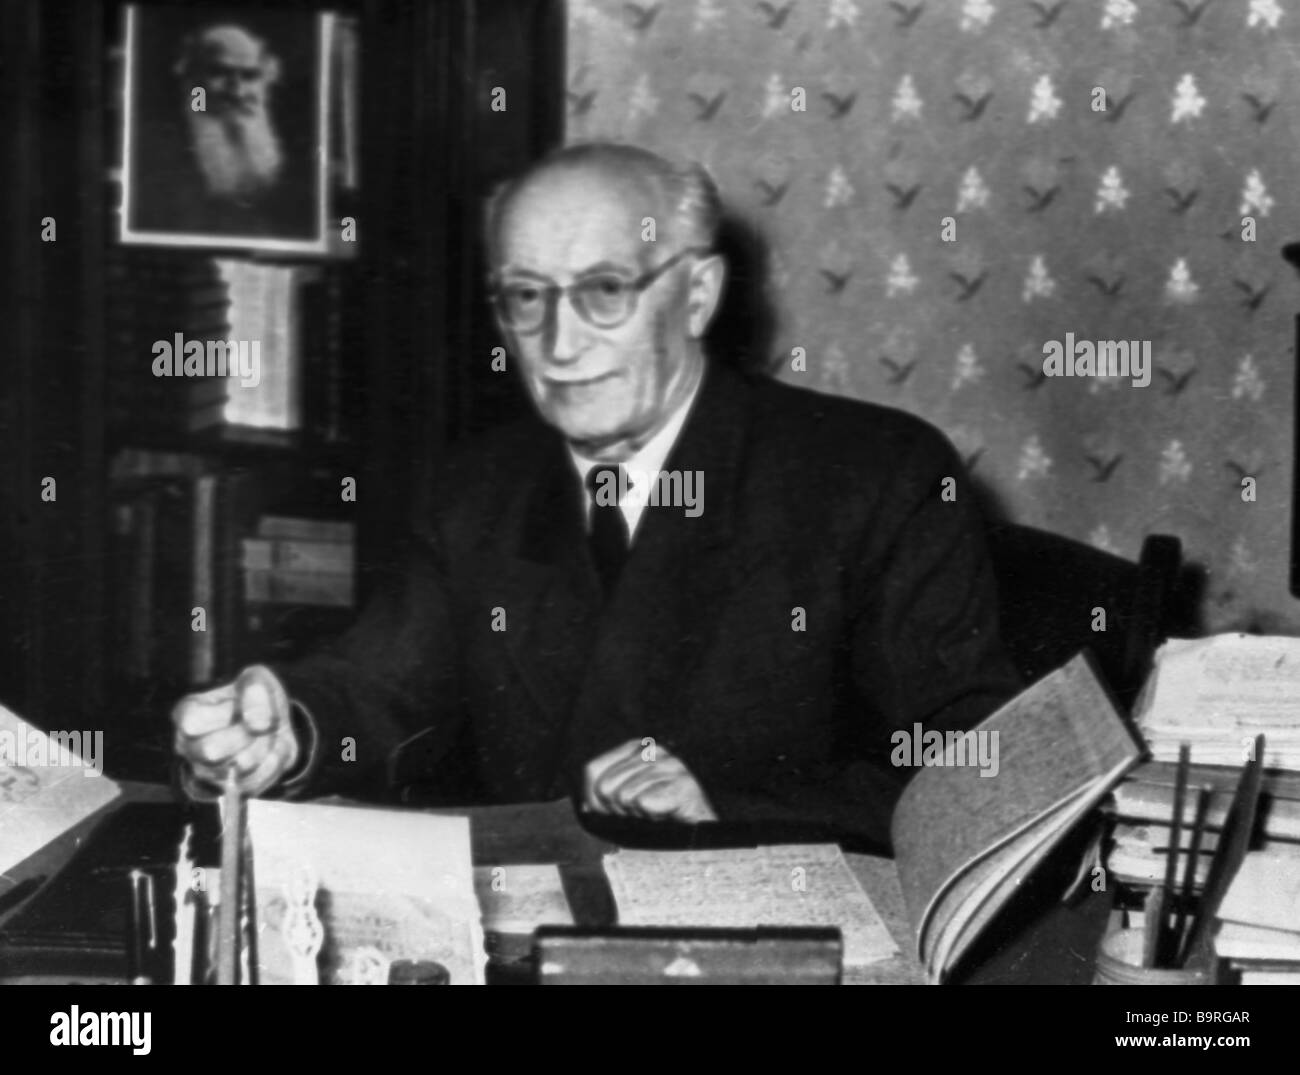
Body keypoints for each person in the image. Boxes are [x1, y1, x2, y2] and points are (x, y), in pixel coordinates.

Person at [172, 143, 1020, 852]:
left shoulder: (874, 474)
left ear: (697, 295)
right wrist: (288, 731)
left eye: (605, 291)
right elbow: (379, 690)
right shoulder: (479, 491)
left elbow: (976, 764)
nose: (559, 342)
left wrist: (732, 802)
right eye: (526, 297)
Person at [131, 22, 309, 238]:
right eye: (220, 73)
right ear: (192, 78)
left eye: (250, 76)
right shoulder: (156, 154)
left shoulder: (297, 157)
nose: (237, 91)